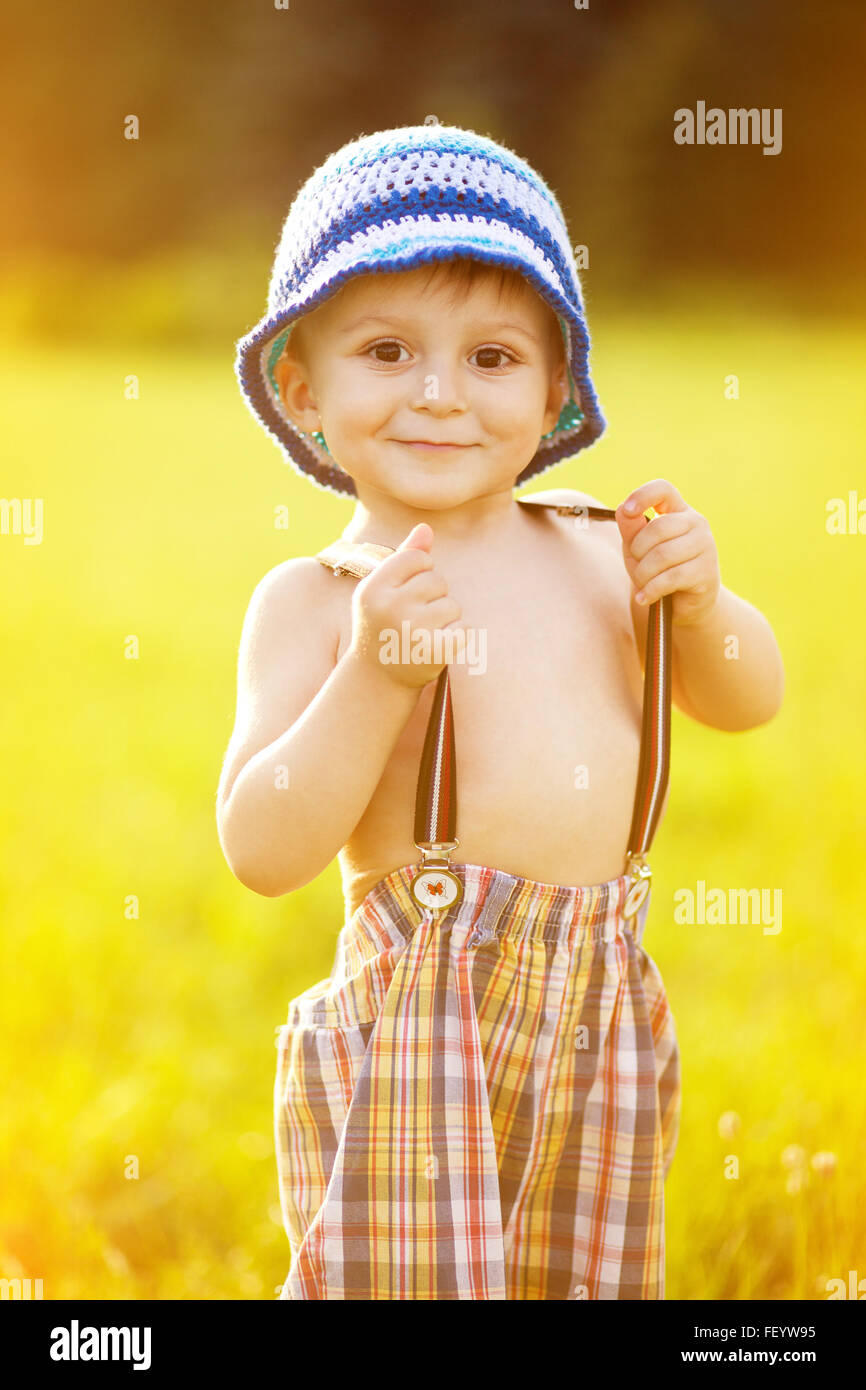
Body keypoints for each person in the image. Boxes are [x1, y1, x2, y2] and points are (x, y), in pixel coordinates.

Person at [218, 123, 784, 1300]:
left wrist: (706, 602)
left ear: (555, 385)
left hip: (596, 1011)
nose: (438, 394)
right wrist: (373, 674)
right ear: (301, 384)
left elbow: (746, 698)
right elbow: (261, 848)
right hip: (419, 1040)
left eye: (490, 357)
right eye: (386, 350)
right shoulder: (318, 602)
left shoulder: (593, 554)